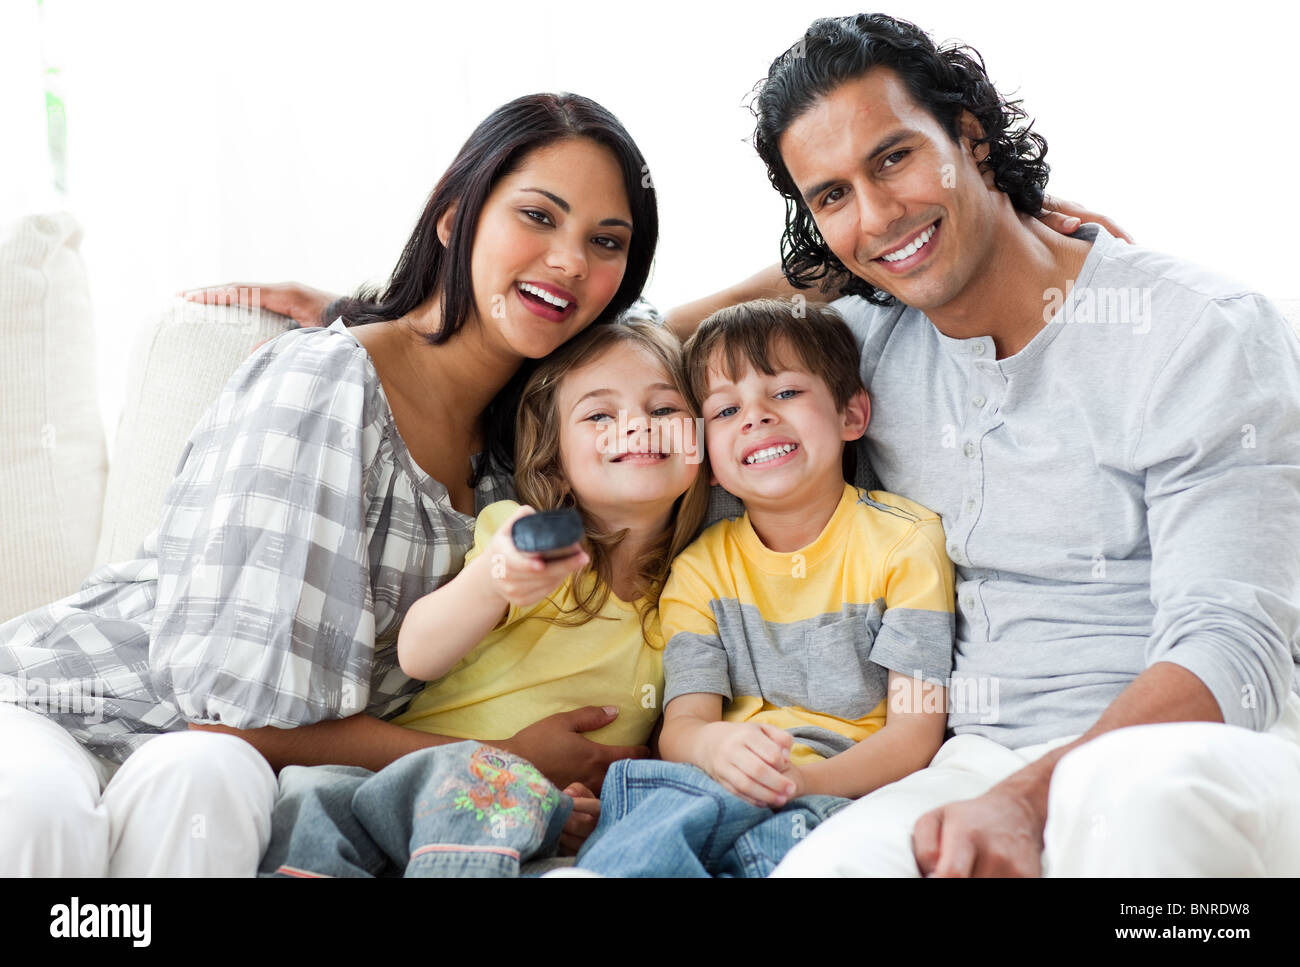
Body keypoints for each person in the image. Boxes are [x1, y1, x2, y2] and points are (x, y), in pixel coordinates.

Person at [678, 13, 1300, 877]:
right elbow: (637, 356)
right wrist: (834, 254)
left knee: (1145, 811)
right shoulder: (861, 352)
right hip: (969, 761)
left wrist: (1028, 798)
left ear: (970, 136)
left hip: (1189, 753)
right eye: (832, 195)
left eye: (894, 157)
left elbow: (1233, 646)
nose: (879, 211)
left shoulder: (1199, 330)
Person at [0, 92, 659, 876]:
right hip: (68, 708)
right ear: (454, 217)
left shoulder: (520, 456)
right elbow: (231, 717)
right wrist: (499, 757)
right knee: (40, 811)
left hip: (205, 768)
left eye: (605, 240)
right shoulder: (322, 383)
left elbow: (675, 350)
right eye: (539, 217)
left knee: (204, 785)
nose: (571, 262)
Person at [259, 319, 711, 876]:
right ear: (554, 460)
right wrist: (494, 578)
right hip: (413, 779)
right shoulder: (526, 538)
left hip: (525, 813)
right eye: (599, 415)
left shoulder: (696, 587)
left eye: (664, 410)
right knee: (314, 796)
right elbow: (419, 653)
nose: (637, 426)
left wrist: (587, 808)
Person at [571, 300, 952, 877]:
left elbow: (916, 732)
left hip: (837, 790)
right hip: (709, 779)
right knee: (657, 817)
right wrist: (712, 747)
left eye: (787, 393)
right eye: (725, 411)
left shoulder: (906, 543)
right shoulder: (700, 570)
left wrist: (805, 781)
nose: (756, 417)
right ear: (710, 464)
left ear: (852, 414)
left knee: (785, 850)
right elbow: (684, 726)